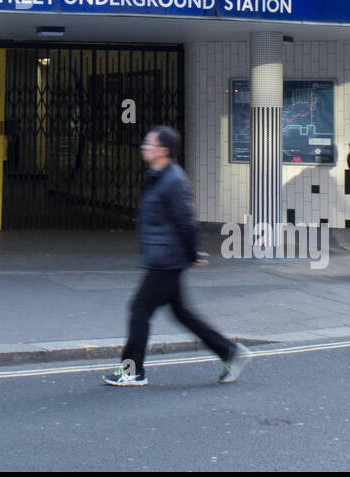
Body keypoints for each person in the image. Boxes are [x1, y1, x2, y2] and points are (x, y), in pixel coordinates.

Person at [103, 125, 250, 387]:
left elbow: (185, 221)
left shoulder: (173, 179)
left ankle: (133, 371)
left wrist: (192, 252)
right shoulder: (159, 175)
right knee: (181, 313)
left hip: (166, 260)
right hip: (163, 256)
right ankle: (230, 352)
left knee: (139, 310)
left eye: (149, 143)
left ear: (163, 150)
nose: (143, 147)